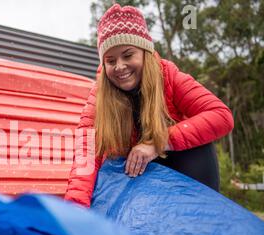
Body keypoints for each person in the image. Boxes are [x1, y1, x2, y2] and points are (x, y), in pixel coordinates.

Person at [64, 3, 234, 208]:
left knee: (198, 145)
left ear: (144, 52)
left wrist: (158, 142)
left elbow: (221, 115)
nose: (119, 67)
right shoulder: (100, 95)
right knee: (109, 167)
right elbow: (87, 152)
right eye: (110, 60)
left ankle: (202, 216)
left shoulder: (169, 76)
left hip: (182, 169)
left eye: (128, 55)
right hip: (139, 177)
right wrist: (75, 210)